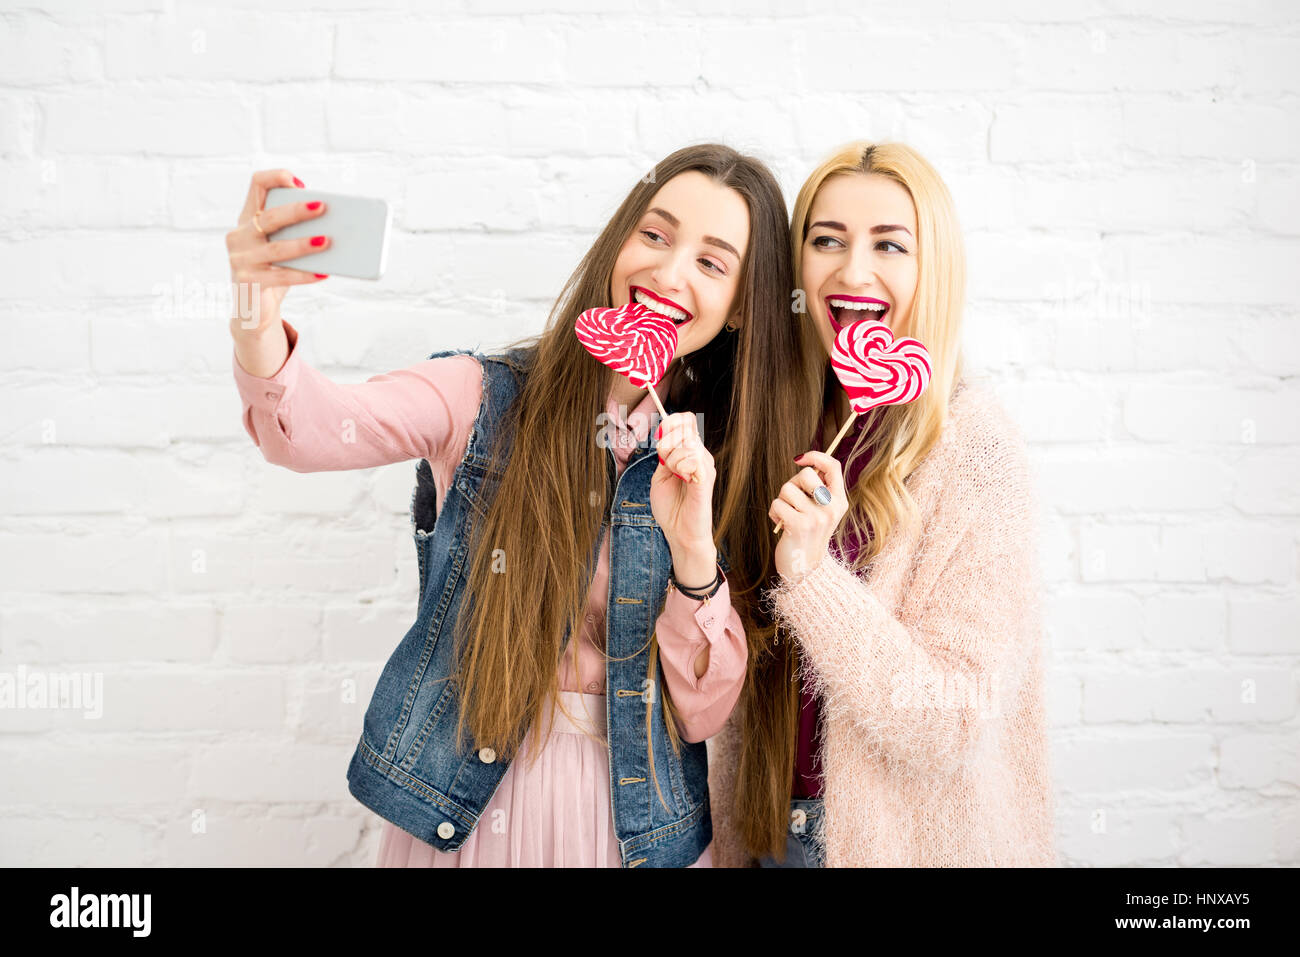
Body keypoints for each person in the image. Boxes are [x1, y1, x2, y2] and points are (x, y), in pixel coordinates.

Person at [224, 144, 821, 867]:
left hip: (634, 831)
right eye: (655, 235)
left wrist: (695, 552)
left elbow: (702, 711)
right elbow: (313, 429)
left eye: (711, 262)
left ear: (737, 311)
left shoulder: (720, 460)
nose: (667, 273)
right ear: (619, 242)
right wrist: (257, 318)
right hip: (472, 811)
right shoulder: (482, 396)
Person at [708, 141, 1057, 867]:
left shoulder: (975, 445)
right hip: (773, 836)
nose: (852, 270)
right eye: (826, 239)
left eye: (888, 245)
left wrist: (811, 576)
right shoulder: (773, 427)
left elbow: (952, 720)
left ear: (932, 269)